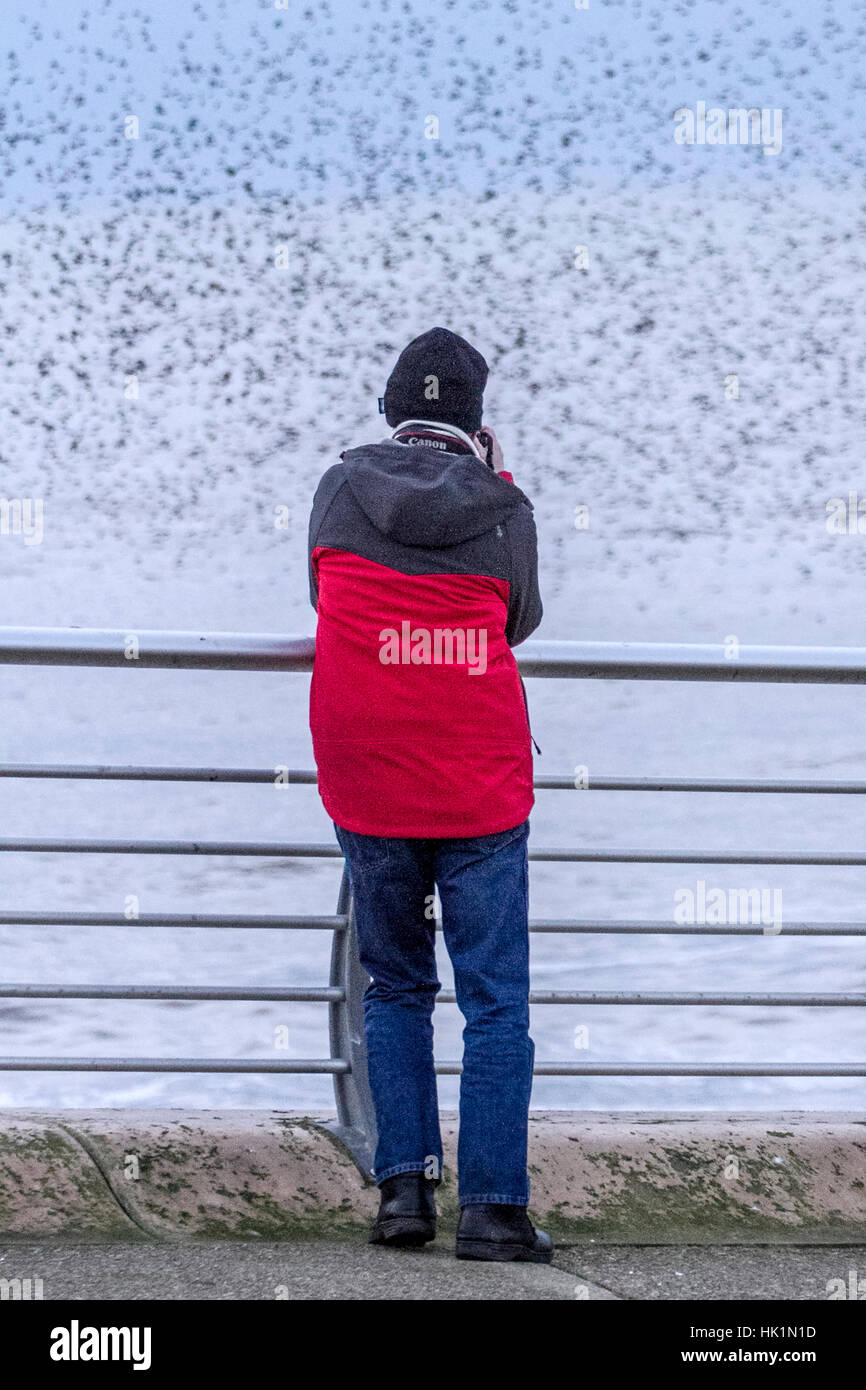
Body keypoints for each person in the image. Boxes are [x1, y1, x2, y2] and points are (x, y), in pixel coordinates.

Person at [306, 326, 549, 1262]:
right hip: (478, 779)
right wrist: (503, 485)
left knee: (397, 985)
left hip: (366, 773)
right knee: (495, 1001)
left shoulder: (338, 489)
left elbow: (324, 600)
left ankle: (404, 1196)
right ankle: (493, 1212)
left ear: (391, 410)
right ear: (477, 425)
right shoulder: (503, 506)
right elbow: (519, 618)